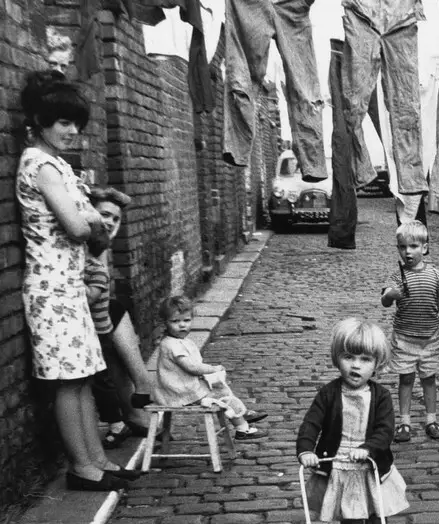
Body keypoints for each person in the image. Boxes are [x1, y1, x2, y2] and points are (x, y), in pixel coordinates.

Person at [16, 70, 138, 492]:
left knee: (83, 376)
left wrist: (89, 221)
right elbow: (79, 226)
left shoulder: (58, 165)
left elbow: (97, 232)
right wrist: (86, 219)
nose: (72, 131)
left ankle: (98, 460)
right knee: (68, 382)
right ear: (40, 121)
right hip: (51, 289)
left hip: (68, 286)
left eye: (76, 124)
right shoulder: (39, 164)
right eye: (63, 122)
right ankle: (81, 467)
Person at [297, 318, 409, 524]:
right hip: (339, 463)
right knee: (349, 516)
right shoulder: (329, 394)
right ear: (337, 358)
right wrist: (306, 450)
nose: (356, 365)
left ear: (377, 363)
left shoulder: (381, 396)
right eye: (348, 357)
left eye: (365, 359)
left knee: (376, 512)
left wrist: (368, 448)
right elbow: (311, 424)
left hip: (369, 464)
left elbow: (385, 431)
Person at [83, 186, 158, 447]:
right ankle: (141, 390)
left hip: (97, 317)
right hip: (81, 318)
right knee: (115, 312)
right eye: (104, 214)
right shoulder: (85, 240)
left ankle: (138, 399)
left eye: (116, 219)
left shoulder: (101, 244)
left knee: (114, 317)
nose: (111, 222)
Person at [381, 221, 439, 442]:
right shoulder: (397, 277)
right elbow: (385, 300)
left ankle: (431, 420)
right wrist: (391, 295)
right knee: (405, 380)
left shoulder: (435, 274)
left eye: (413, 246)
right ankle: (404, 422)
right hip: (404, 338)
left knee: (429, 379)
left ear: (424, 248)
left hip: (430, 339)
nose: (408, 252)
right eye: (403, 247)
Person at [153, 296, 267, 440]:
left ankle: (242, 414)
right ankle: (242, 427)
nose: (182, 325)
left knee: (220, 389)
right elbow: (192, 367)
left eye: (186, 320)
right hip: (180, 392)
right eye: (175, 321)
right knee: (223, 396)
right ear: (165, 323)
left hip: (185, 387)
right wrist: (212, 369)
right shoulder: (171, 345)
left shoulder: (181, 341)